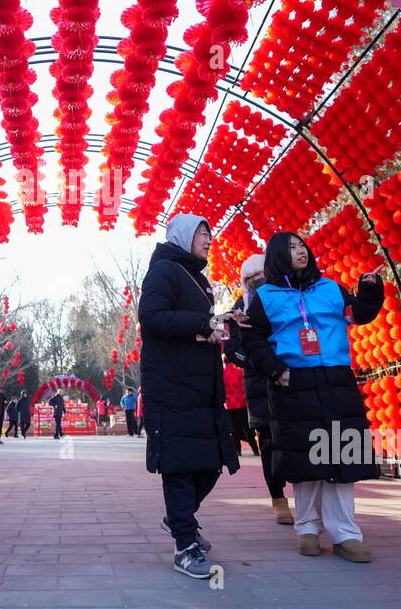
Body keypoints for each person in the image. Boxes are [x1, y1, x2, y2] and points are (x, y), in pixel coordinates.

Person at [240, 232, 384, 563]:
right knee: (307, 461)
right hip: (294, 384)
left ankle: (345, 534)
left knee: (341, 456)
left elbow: (357, 313)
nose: (300, 251)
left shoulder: (330, 289)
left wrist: (370, 288)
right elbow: (251, 339)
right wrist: (276, 370)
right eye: (291, 247)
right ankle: (307, 529)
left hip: (336, 380)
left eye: (302, 245)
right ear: (277, 255)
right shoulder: (265, 297)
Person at [138, 213, 239, 580]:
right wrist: (203, 324)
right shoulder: (164, 271)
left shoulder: (197, 278)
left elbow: (198, 325)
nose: (208, 239)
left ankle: (178, 517)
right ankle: (185, 545)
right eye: (201, 233)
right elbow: (151, 317)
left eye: (210, 234)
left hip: (200, 387)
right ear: (182, 237)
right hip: (171, 386)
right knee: (180, 466)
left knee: (210, 462)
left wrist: (222, 322)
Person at [223, 254, 293, 525]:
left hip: (289, 378)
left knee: (293, 438)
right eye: (252, 279)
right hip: (259, 384)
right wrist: (255, 362)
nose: (258, 282)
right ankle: (278, 498)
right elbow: (230, 348)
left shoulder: (286, 299)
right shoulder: (238, 309)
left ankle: (305, 493)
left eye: (262, 275)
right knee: (268, 442)